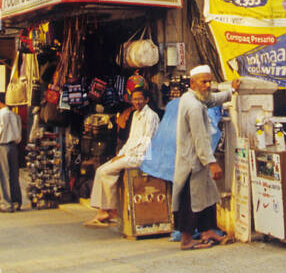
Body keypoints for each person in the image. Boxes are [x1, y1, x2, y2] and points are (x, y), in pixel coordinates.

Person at [173, 65, 238, 250]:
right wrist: (212, 163)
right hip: (192, 163)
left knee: (207, 196)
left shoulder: (194, 98)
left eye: (209, 81)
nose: (208, 85)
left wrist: (231, 89)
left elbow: (211, 99)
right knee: (191, 201)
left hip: (197, 161)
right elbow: (199, 138)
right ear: (193, 83)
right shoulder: (193, 106)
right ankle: (186, 240)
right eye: (204, 82)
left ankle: (207, 230)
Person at [86, 83, 159, 227]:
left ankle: (107, 210)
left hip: (142, 156)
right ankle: (105, 210)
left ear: (146, 100)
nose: (137, 102)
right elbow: (131, 139)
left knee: (106, 171)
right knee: (101, 170)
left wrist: (126, 156)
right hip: (130, 154)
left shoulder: (151, 116)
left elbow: (146, 142)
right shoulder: (136, 115)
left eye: (140, 99)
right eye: (134, 99)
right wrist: (121, 154)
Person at [0, 94, 23, 212]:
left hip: (1, 146)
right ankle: (16, 202)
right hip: (14, 146)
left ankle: (6, 204)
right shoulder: (15, 116)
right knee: (14, 175)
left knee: (2, 176)